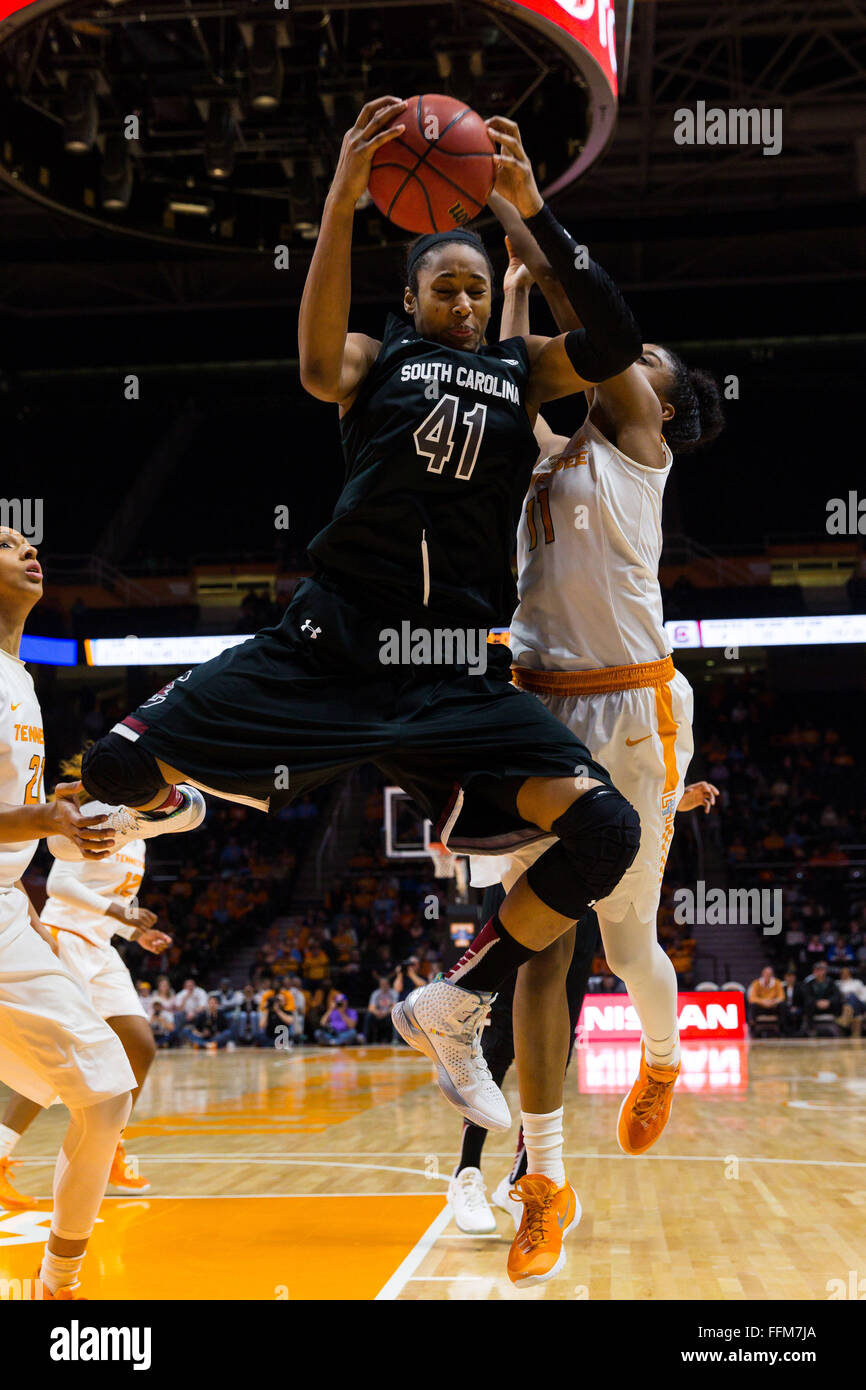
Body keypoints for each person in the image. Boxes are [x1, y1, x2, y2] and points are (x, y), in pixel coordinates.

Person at [78, 100, 645, 1142]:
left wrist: (527, 218)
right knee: (111, 766)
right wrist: (339, 200)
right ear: (411, 297)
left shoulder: (523, 370)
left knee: (607, 826)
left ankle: (453, 998)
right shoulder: (369, 361)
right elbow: (306, 364)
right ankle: (185, 797)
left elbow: (613, 340)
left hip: (451, 676)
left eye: (477, 288)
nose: (467, 303)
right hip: (328, 646)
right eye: (446, 288)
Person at [445, 202, 722, 1282]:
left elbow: (594, 335)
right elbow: (530, 361)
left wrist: (526, 218)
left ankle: (660, 1059)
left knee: (622, 943)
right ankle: (543, 1181)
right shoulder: (535, 442)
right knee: (541, 948)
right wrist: (508, 280)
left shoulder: (641, 446)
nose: (622, 363)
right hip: (539, 713)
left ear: (657, 397)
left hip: (632, 709)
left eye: (643, 362)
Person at [0, 525, 135, 1297]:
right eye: (4, 542)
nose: (27, 549)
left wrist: (56, 822)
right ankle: (59, 1282)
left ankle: (60, 1280)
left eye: (29, 540)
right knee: (105, 1088)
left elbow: (16, 813)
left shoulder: (20, 677)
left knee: (99, 1090)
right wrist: (45, 823)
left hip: (6, 910)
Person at [0, 746, 172, 1199]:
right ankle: (1, 1152)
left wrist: (134, 934)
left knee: (140, 1045)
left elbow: (109, 897)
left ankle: (109, 1144)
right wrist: (121, 912)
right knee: (58, 1059)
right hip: (65, 936)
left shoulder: (140, 831)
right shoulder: (95, 812)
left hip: (100, 945)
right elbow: (59, 884)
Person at [447, 885, 597, 1248]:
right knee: (497, 1042)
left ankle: (520, 1179)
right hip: (516, 881)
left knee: (555, 1048)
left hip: (586, 890)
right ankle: (466, 1173)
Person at [802, 961, 844, 1035]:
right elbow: (807, 996)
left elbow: (837, 995)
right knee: (808, 1004)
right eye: (816, 970)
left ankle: (840, 1027)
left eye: (821, 970)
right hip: (815, 1007)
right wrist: (816, 1002)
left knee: (838, 1002)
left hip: (829, 1006)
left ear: (825, 971)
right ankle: (810, 1029)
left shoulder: (831, 982)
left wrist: (828, 1002)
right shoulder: (809, 983)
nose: (818, 972)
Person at [364, 974, 398, 1044]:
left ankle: (395, 1039)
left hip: (389, 1015)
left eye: (385, 984)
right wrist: (377, 1012)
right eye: (381, 984)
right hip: (378, 1015)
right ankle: (366, 1038)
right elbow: (371, 1008)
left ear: (389, 984)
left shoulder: (394, 993)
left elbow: (395, 1006)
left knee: (396, 1016)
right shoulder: (376, 993)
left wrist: (385, 1013)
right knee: (369, 1015)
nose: (383, 986)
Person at [835, 966, 866, 1038]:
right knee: (848, 1000)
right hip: (843, 1006)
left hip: (859, 1004)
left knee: (851, 996)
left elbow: (863, 996)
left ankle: (845, 1018)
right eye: (843, 973)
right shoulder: (837, 983)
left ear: (850, 974)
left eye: (846, 973)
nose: (844, 974)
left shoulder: (857, 982)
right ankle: (849, 1016)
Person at [780, 970, 805, 1036]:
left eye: (792, 977)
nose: (790, 979)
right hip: (786, 1008)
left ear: (795, 978)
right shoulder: (782, 988)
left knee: (798, 1012)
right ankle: (785, 1031)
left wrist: (796, 1007)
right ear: (785, 978)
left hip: (798, 1007)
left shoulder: (800, 987)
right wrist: (789, 1007)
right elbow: (781, 1000)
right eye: (788, 977)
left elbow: (802, 1000)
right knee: (783, 1011)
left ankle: (798, 1031)